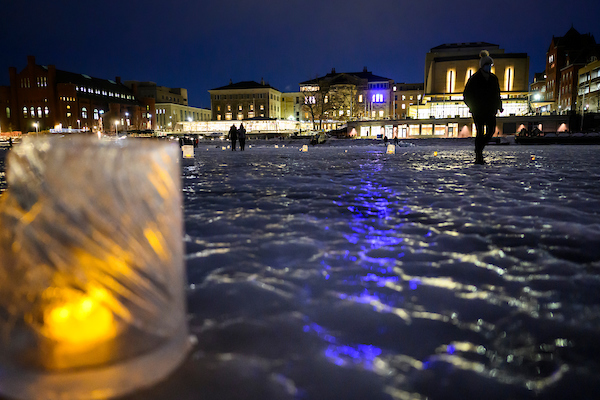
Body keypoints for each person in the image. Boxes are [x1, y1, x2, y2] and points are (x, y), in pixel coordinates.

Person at [463, 50, 504, 164]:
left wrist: (499, 106)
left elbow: (497, 94)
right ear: (482, 66)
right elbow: (466, 95)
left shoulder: (493, 79)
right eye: (487, 65)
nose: (489, 67)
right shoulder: (474, 79)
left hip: (490, 110)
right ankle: (478, 155)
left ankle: (479, 149)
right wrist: (473, 106)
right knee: (480, 132)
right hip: (478, 111)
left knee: (490, 131)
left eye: (490, 65)